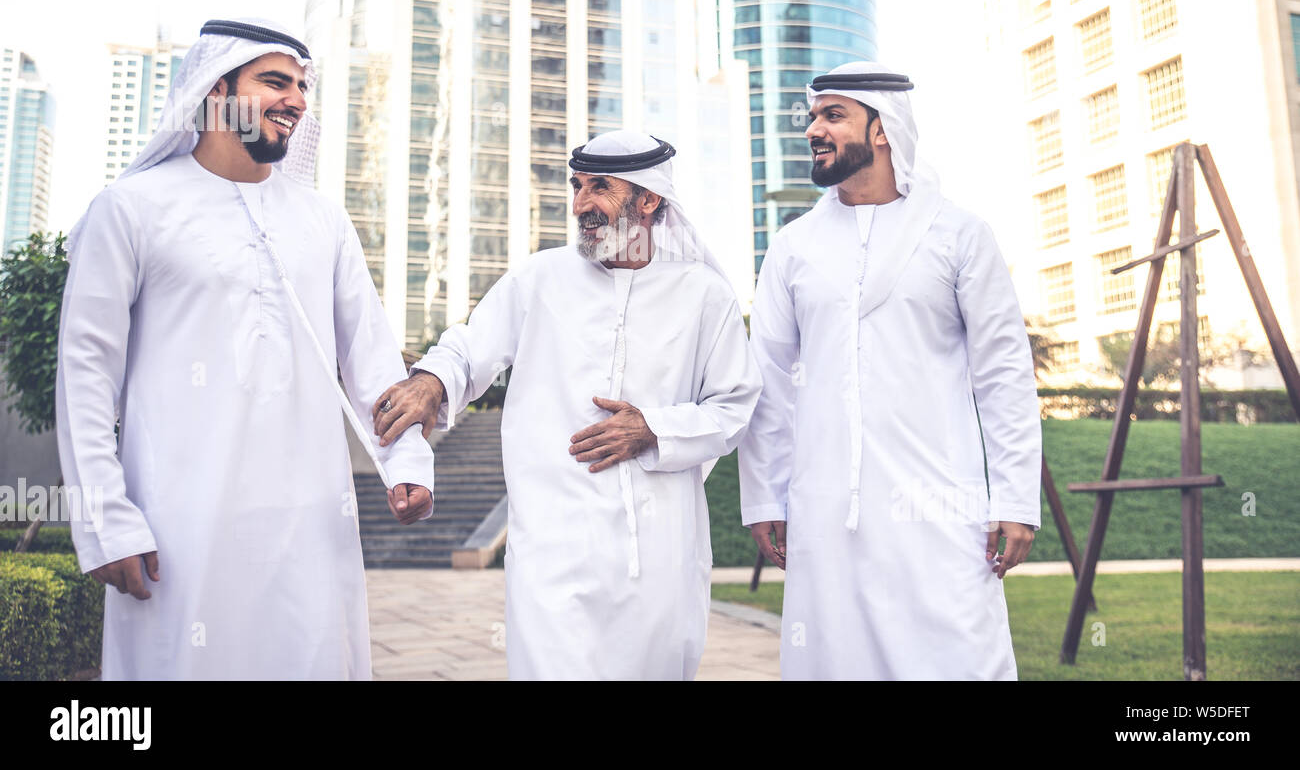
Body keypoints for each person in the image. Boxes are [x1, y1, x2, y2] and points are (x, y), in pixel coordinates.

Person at [56, 17, 435, 680]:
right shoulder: (132, 208)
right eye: (274, 81)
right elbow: (86, 373)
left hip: (309, 527)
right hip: (178, 527)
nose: (295, 99)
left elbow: (373, 365)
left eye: (301, 85)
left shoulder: (323, 220)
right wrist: (104, 516)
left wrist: (406, 457)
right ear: (214, 89)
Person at [371, 130, 761, 680]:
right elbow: (469, 348)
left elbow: (734, 405)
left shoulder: (704, 296)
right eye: (576, 186)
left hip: (657, 556)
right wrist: (433, 380)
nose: (580, 203)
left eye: (599, 187)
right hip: (552, 551)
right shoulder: (539, 278)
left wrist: (653, 429)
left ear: (649, 200)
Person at [739, 61, 1042, 680]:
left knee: (959, 656)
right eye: (813, 115)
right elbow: (768, 379)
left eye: (833, 115)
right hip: (824, 511)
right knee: (833, 660)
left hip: (939, 502)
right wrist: (765, 494)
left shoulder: (958, 234)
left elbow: (1004, 374)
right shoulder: (794, 246)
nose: (813, 129)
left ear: (883, 129)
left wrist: (1014, 497)